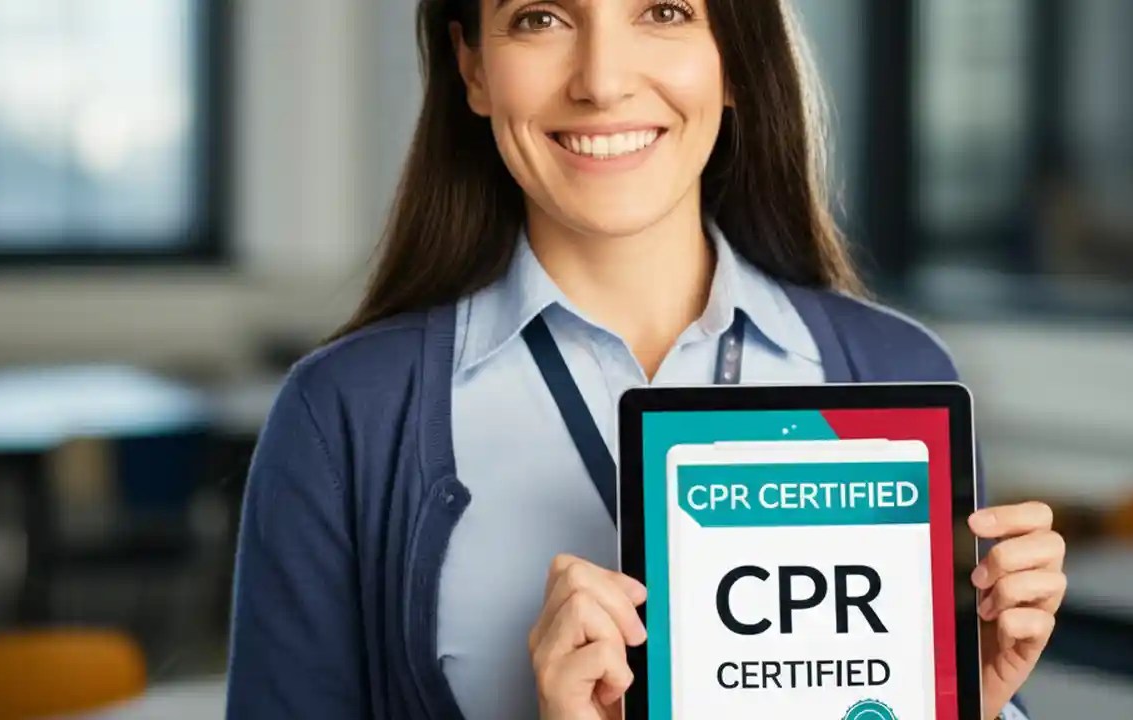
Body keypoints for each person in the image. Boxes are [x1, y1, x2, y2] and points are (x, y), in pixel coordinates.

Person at [226, 1, 1067, 719]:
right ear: (473, 69)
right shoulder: (343, 418)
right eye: (542, 18)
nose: (601, 79)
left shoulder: (894, 374)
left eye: (663, 10)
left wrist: (975, 706)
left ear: (735, 57)